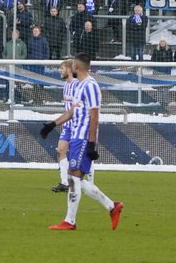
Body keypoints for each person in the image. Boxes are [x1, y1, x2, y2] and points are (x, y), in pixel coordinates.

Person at [42, 53, 124, 232]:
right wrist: (52, 124)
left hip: (84, 136)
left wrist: (92, 144)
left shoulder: (91, 86)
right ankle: (112, 207)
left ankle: (70, 221)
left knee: (73, 177)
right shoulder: (78, 86)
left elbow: (95, 115)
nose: (69, 67)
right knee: (74, 177)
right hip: (76, 135)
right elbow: (72, 111)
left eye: (72, 65)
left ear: (77, 68)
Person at [50, 59, 75, 193]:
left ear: (69, 70)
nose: (60, 70)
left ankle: (88, 182)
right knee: (60, 151)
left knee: (82, 156)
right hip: (68, 126)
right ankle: (64, 183)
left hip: (78, 126)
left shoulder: (77, 85)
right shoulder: (66, 85)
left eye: (62, 68)